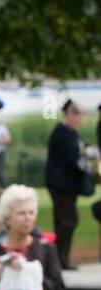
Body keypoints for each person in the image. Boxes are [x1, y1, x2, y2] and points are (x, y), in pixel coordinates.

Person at [45, 99, 88, 270]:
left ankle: (60, 258)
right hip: (62, 184)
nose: (80, 120)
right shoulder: (64, 133)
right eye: (78, 116)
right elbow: (73, 160)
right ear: (70, 115)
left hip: (64, 184)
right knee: (67, 221)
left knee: (65, 220)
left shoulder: (67, 133)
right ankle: (60, 258)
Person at [0, 121, 11, 187]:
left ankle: (5, 188)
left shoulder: (3, 128)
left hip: (0, 153)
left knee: (0, 172)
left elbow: (8, 140)